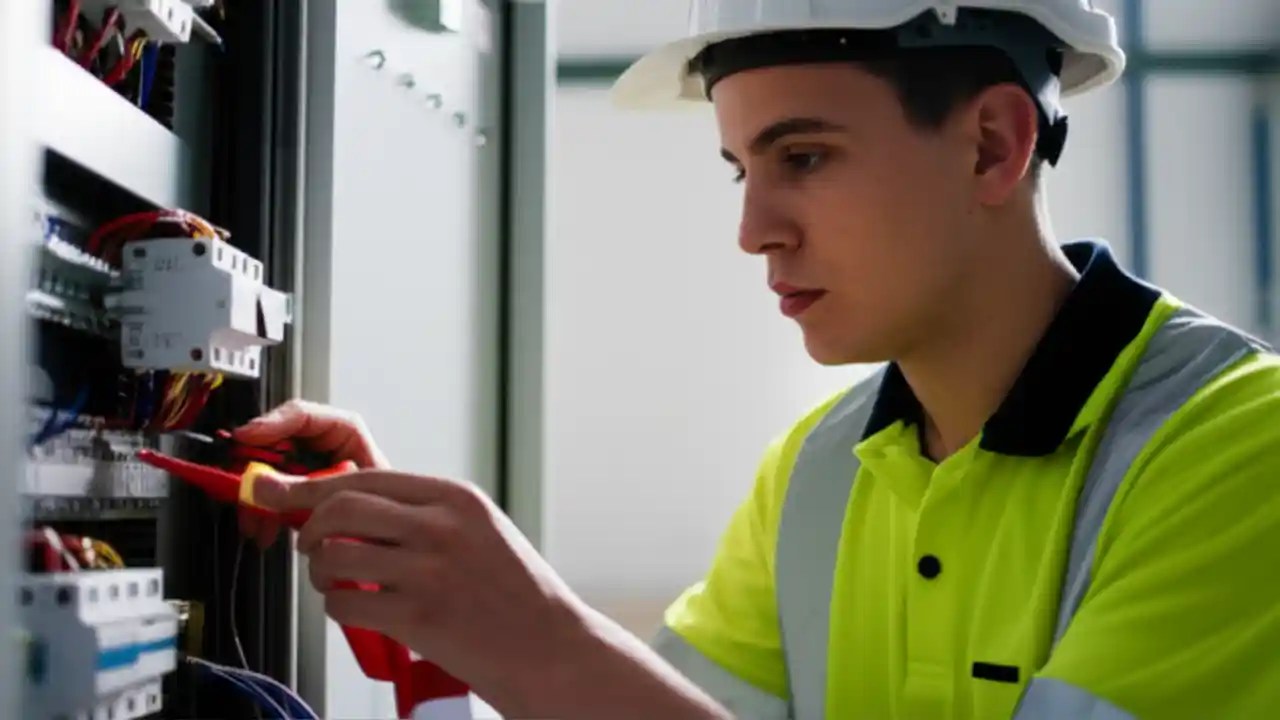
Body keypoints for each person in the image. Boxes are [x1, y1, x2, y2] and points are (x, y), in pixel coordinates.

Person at [238, 2, 1280, 718]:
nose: (753, 228)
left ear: (991, 146)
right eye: (739, 168)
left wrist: (538, 632)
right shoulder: (818, 472)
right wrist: (428, 577)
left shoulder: (1238, 448)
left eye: (803, 158)